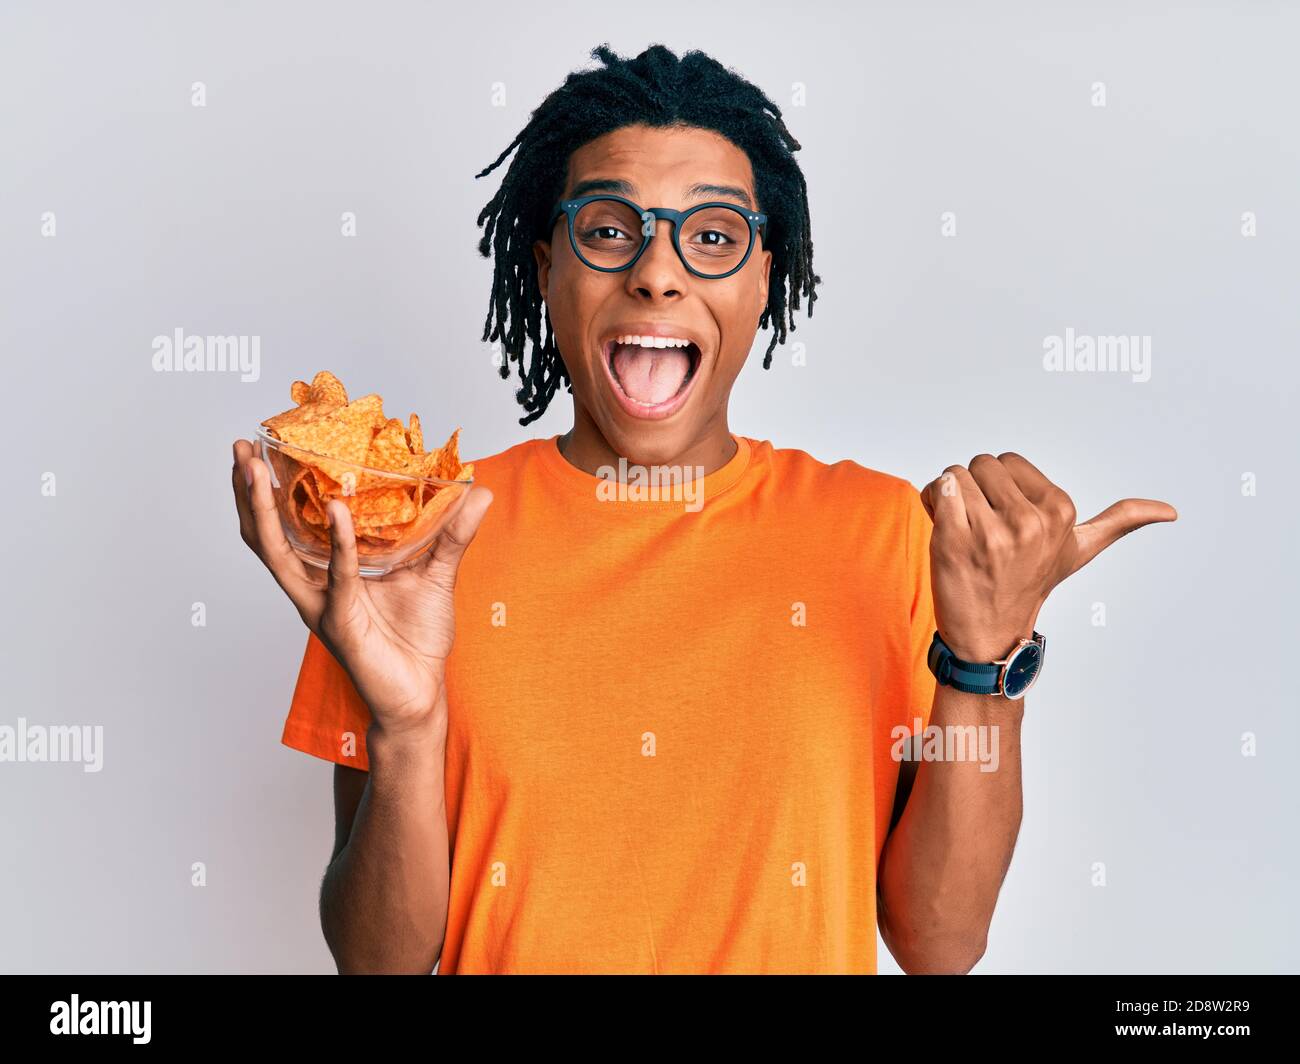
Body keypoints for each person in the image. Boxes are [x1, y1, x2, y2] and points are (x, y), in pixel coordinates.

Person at [230, 43, 1176, 974]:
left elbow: (942, 942)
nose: (658, 272)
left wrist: (984, 664)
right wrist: (405, 730)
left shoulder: (890, 536)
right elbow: (379, 963)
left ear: (766, 277)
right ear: (546, 263)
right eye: (608, 229)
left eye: (714, 236)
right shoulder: (411, 541)